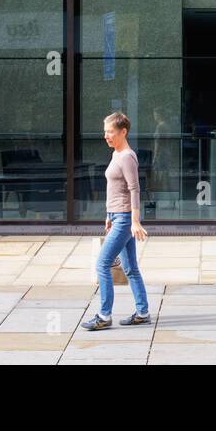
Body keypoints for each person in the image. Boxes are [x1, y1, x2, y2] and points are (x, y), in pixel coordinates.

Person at [81, 112, 150, 330]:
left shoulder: (127, 156)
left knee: (102, 264)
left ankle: (104, 316)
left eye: (110, 131)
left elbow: (134, 189)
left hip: (125, 219)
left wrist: (135, 221)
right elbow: (115, 190)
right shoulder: (116, 154)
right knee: (130, 268)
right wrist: (109, 215)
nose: (106, 136)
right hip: (117, 217)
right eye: (105, 132)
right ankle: (142, 312)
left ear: (123, 132)